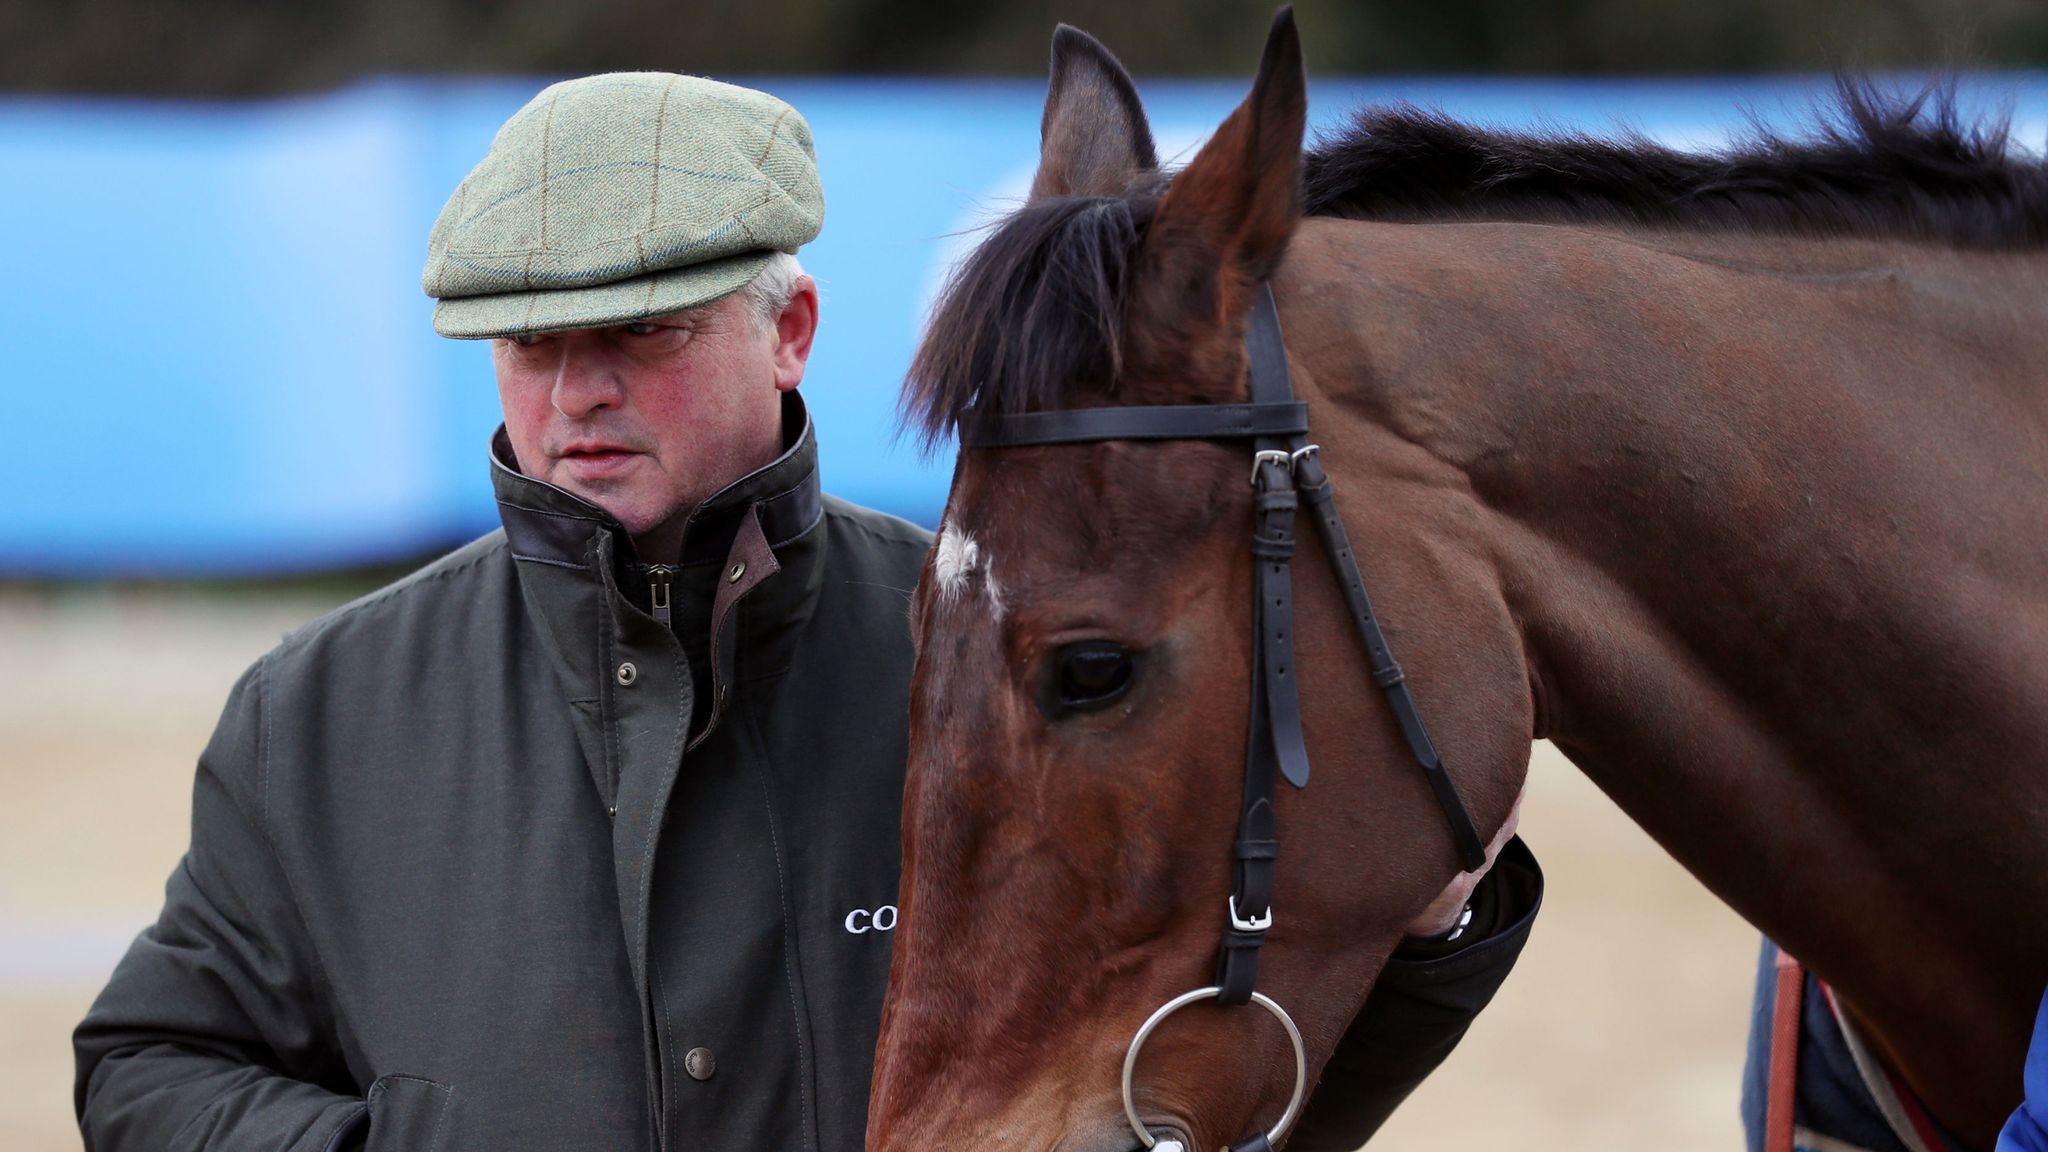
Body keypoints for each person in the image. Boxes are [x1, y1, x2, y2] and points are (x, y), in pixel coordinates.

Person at [73, 70, 1541, 1151]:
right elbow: (145, 1072)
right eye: (531, 340)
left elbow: (1179, 1097)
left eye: (639, 329)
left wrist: (1425, 953)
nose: (578, 387)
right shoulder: (320, 710)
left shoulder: (999, 669)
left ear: (791, 330)